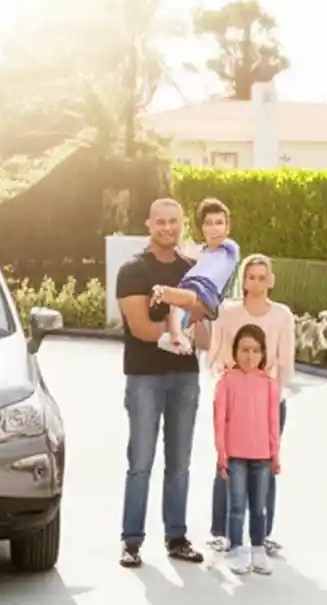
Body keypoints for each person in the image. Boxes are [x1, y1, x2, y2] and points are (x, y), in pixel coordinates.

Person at [115, 197, 205, 568]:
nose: (168, 227)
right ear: (149, 224)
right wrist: (172, 337)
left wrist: (195, 334)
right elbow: (139, 326)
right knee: (141, 461)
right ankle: (131, 541)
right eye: (161, 221)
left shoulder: (194, 271)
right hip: (145, 378)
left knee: (180, 463)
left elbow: (204, 322)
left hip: (186, 377)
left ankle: (177, 537)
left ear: (182, 225)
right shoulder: (133, 270)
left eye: (174, 221)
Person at [204, 254, 294, 555]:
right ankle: (220, 532)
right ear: (243, 279)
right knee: (227, 464)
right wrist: (225, 377)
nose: (255, 283)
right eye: (250, 276)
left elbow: (285, 360)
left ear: (270, 280)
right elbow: (216, 350)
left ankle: (263, 534)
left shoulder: (282, 315)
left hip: (268, 401)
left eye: (261, 277)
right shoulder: (229, 313)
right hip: (234, 400)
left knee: (266, 466)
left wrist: (275, 393)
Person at [213, 323, 281, 575]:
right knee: (237, 506)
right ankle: (236, 549)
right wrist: (222, 454)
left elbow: (273, 422)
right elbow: (220, 421)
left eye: (255, 350)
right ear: (235, 351)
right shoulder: (226, 382)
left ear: (263, 353)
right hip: (235, 456)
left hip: (262, 457)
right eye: (244, 350)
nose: (249, 356)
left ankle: (258, 550)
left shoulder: (270, 385)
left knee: (259, 507)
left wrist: (275, 453)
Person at [150, 198, 241, 355]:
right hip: (191, 288)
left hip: (209, 293)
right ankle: (178, 336)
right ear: (203, 228)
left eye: (219, 223)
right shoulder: (199, 253)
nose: (214, 228)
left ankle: (164, 295)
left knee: (175, 295)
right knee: (176, 306)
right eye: (209, 223)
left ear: (227, 228)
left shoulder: (229, 250)